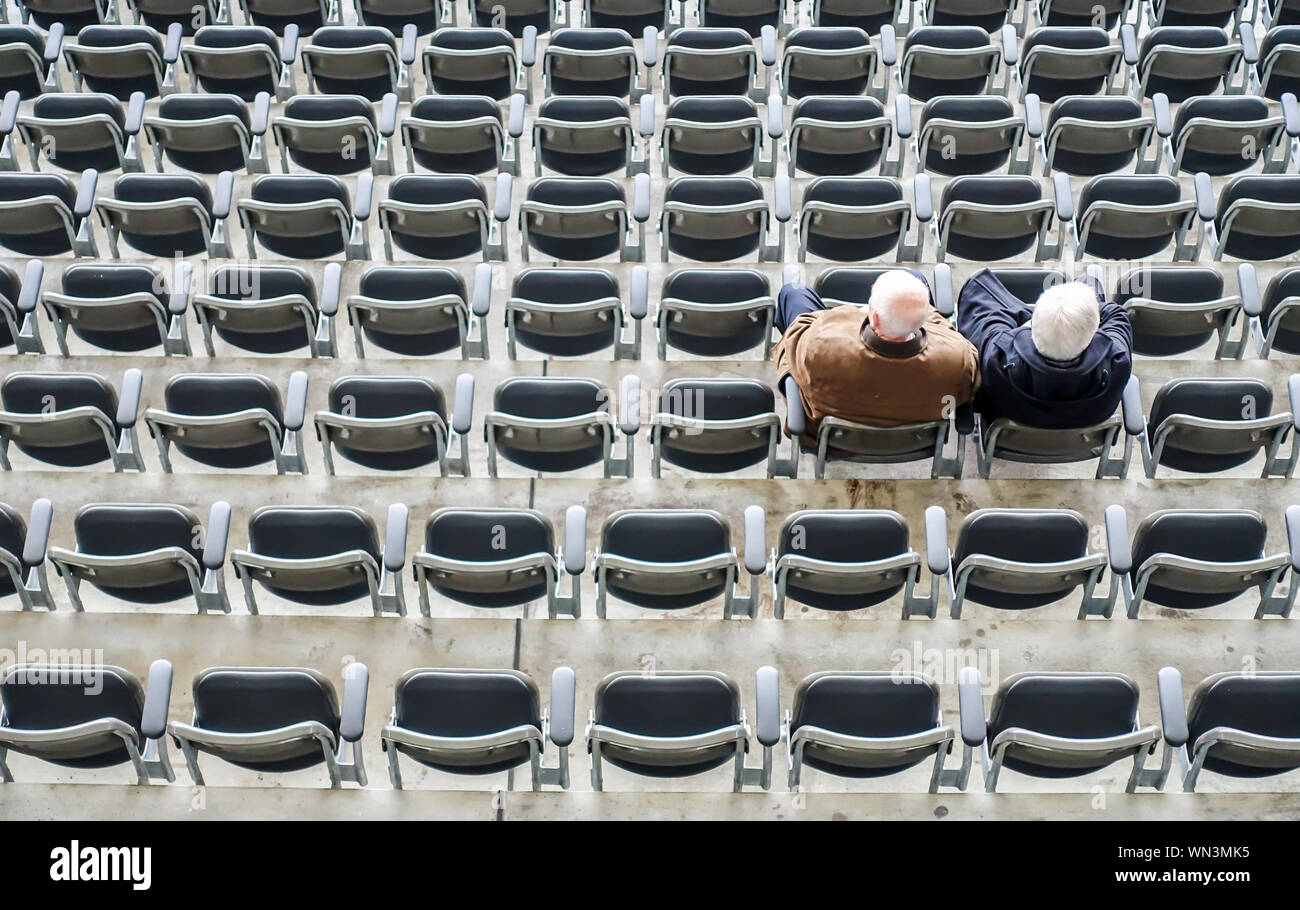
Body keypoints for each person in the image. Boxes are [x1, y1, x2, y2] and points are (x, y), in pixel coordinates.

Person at [773, 269, 980, 443]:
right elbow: (959, 350)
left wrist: (841, 316)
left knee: (793, 293)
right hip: (914, 441)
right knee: (915, 275)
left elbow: (794, 339)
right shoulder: (957, 360)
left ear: (872, 316)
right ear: (924, 319)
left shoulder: (819, 345)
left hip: (833, 439)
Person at [956, 269, 1132, 429]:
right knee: (1089, 280)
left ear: (1032, 325)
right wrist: (1082, 314)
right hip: (1085, 422)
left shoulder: (998, 358)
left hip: (1013, 424)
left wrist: (1033, 318)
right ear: (1095, 332)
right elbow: (1116, 314)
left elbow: (994, 322)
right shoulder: (1118, 361)